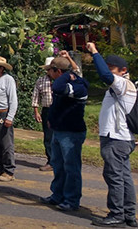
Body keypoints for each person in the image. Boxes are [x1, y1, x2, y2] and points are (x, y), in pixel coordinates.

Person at [87, 42, 137, 227]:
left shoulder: (122, 83)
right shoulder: (123, 85)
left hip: (115, 139)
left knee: (114, 177)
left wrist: (94, 52)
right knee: (124, 177)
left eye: (112, 68)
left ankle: (117, 214)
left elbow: (105, 75)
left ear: (123, 70)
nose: (109, 71)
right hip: (121, 138)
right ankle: (129, 215)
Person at [38, 56, 88, 212]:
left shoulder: (77, 86)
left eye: (51, 71)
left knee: (71, 167)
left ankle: (72, 200)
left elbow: (58, 88)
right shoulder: (65, 81)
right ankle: (57, 195)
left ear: (58, 71)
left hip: (71, 133)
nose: (49, 74)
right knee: (58, 165)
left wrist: (67, 74)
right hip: (59, 130)